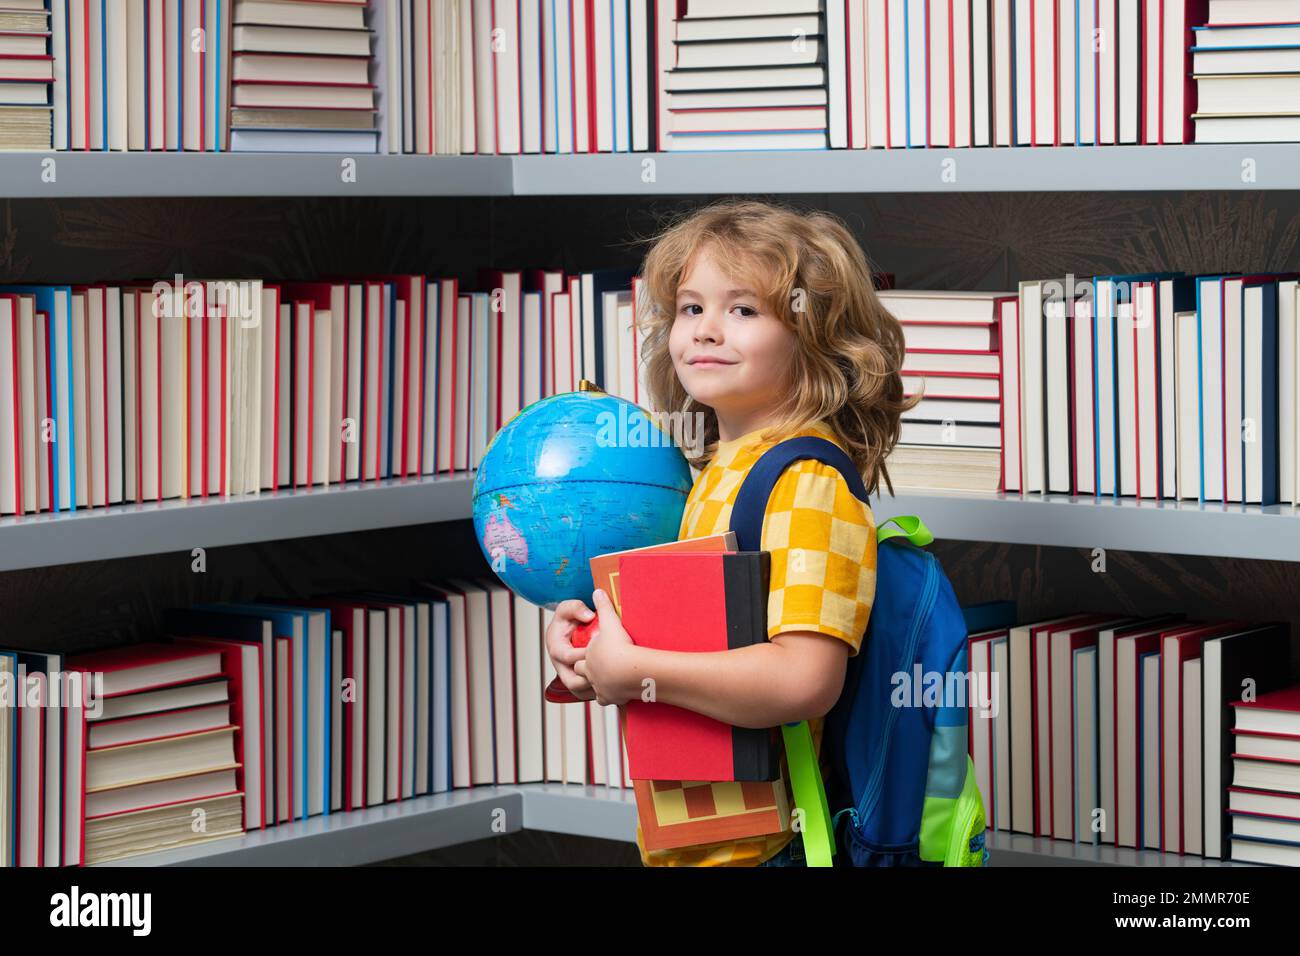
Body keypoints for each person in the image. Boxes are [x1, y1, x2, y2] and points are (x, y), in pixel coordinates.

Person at [544, 198, 916, 866]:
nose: (707, 330)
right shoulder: (713, 472)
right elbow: (691, 645)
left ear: (816, 334)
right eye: (692, 308)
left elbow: (804, 681)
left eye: (743, 310)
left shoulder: (806, 482)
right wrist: (592, 648)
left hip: (772, 847)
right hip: (702, 840)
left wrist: (637, 671)